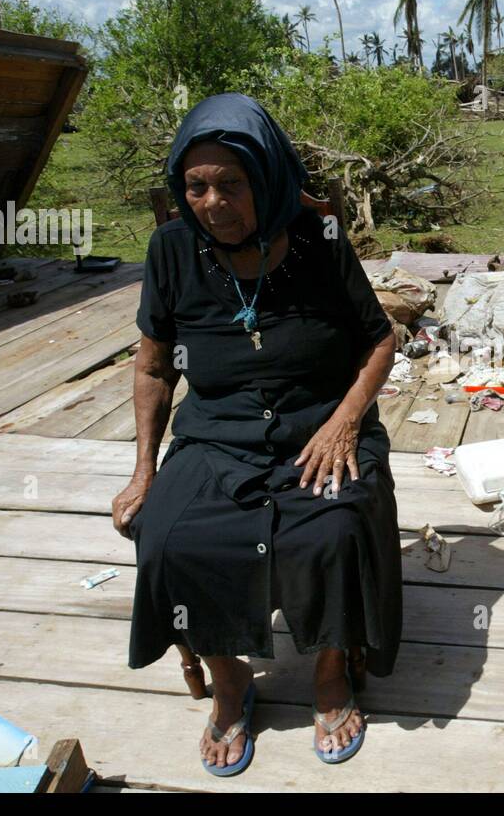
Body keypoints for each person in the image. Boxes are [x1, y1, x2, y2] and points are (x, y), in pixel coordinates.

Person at [111, 92, 400, 774]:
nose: (212, 202)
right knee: (169, 536)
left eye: (231, 184)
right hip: (216, 437)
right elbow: (153, 367)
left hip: (318, 426)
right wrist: (144, 469)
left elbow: (380, 340)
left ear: (266, 179)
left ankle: (331, 671)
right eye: (197, 186)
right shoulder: (172, 250)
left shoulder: (319, 243)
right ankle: (230, 675)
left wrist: (345, 420)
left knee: (332, 526)